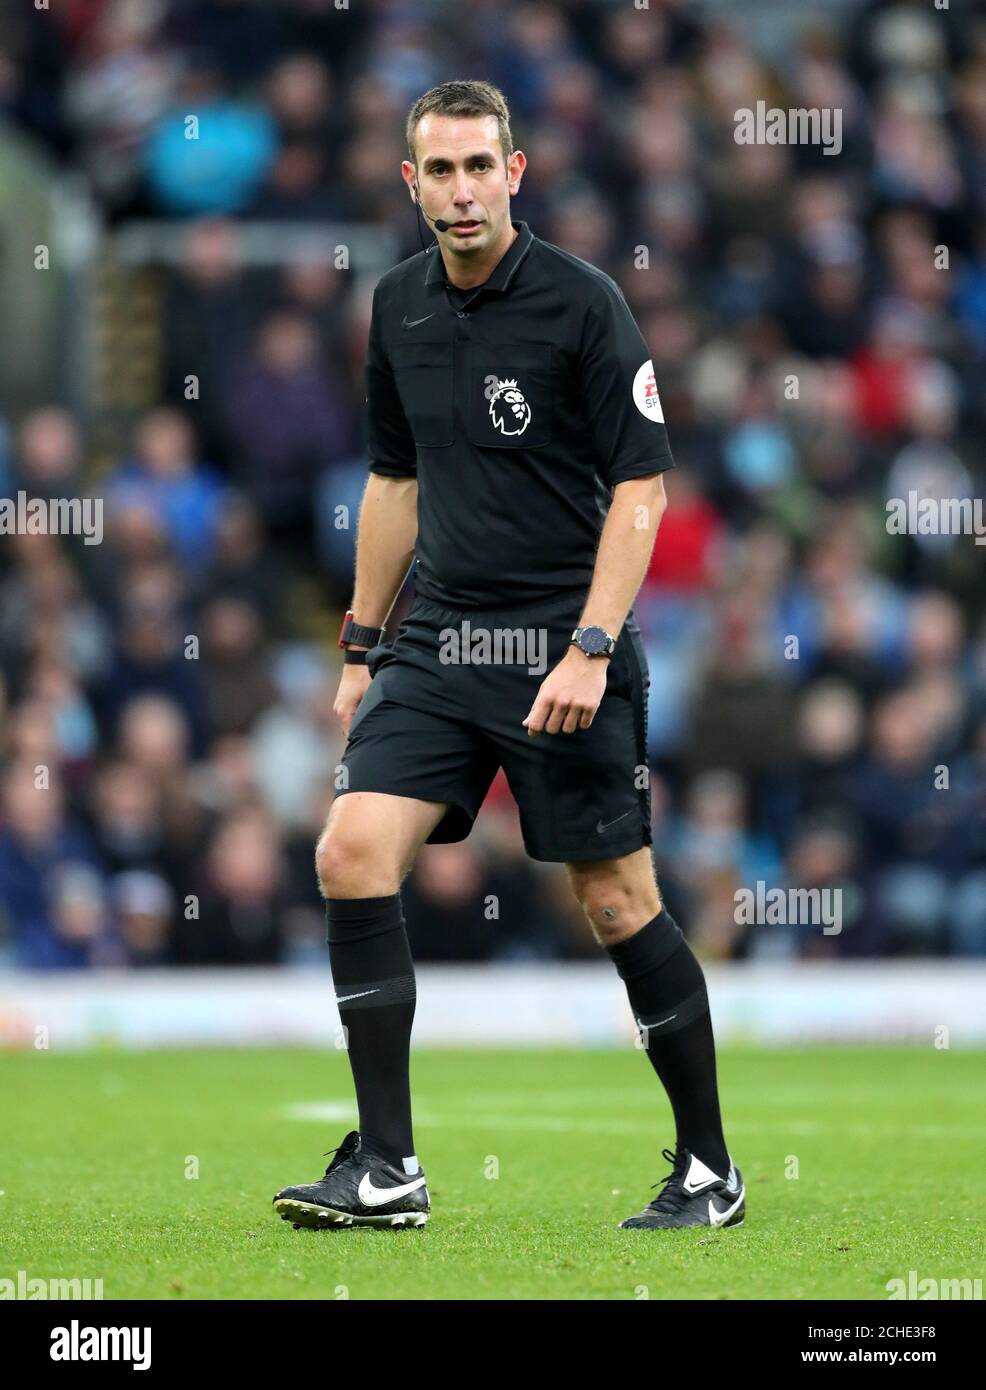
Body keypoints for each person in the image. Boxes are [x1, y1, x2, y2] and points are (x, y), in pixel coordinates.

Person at [273, 80, 743, 1233]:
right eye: (439, 170)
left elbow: (642, 485)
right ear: (410, 183)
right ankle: (387, 1167)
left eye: (480, 166)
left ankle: (708, 1170)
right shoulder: (394, 307)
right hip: (436, 637)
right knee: (348, 850)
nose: (461, 189)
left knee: (616, 900)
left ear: (515, 172)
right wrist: (360, 641)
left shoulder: (583, 305)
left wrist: (590, 645)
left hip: (556, 640)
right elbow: (392, 481)